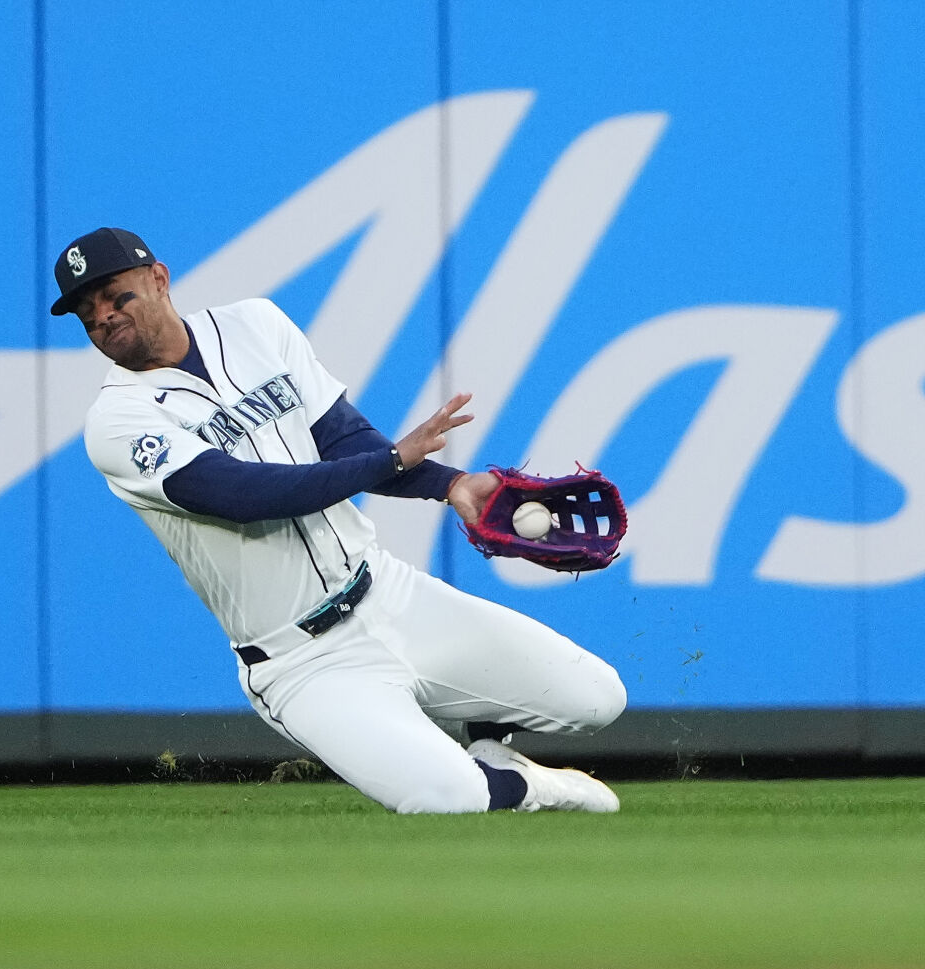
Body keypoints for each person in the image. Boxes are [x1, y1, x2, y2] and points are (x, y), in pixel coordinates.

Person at [56, 227, 625, 814]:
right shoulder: (117, 422)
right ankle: (528, 786)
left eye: (115, 294)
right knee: (447, 798)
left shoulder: (254, 325)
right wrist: (394, 459)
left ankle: (485, 740)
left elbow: (342, 440)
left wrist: (451, 484)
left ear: (159, 279)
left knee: (598, 698)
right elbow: (242, 494)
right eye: (85, 311)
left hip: (386, 593)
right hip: (301, 661)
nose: (103, 315)